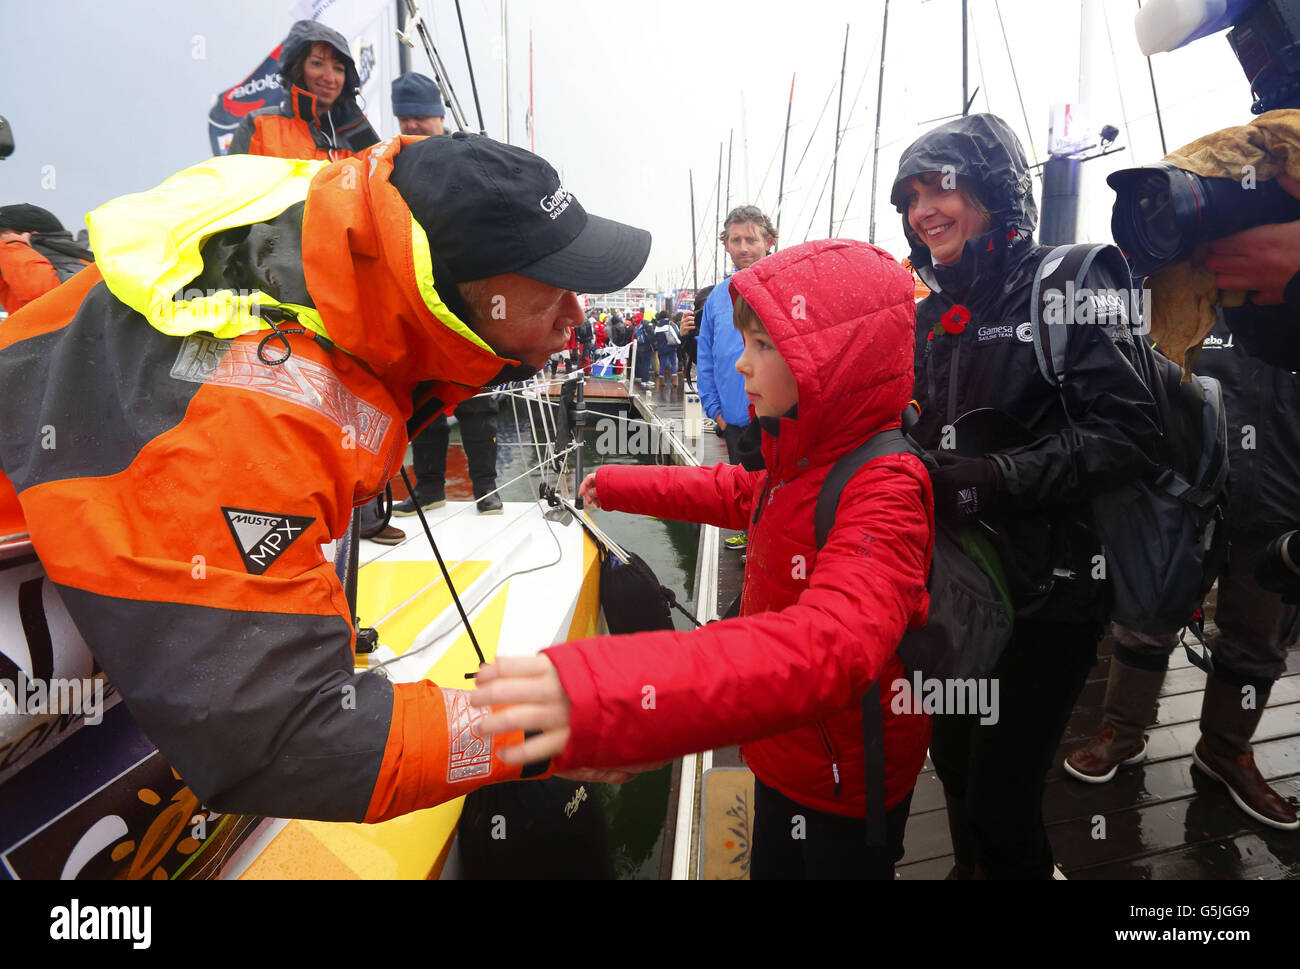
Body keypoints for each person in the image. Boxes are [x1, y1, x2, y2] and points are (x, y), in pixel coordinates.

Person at [0, 133, 651, 823]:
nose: (579, 314)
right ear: (457, 285)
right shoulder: (248, 414)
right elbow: (285, 737)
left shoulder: (337, 262)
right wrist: (537, 737)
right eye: (554, 283)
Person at [470, 239, 936, 879]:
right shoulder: (799, 464)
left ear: (831, 362)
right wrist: (618, 481)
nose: (740, 365)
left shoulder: (886, 486)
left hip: (846, 779)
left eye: (763, 347)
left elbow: (834, 643)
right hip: (783, 750)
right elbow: (740, 493)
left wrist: (617, 692)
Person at [890, 113, 1162, 879]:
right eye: (909, 197)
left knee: (1002, 800)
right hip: (954, 589)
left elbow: (1131, 436)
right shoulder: (926, 314)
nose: (923, 210)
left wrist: (996, 479)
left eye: (939, 186)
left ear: (993, 191)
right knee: (954, 765)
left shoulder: (1076, 279)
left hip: (1052, 597)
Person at [1065, 319, 1300, 829]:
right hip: (1181, 500)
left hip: (1281, 508)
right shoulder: (1187, 290)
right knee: (1146, 616)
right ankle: (1121, 734)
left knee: (1259, 640)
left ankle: (1225, 750)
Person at [228, 20, 379, 160]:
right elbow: (233, 186)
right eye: (317, 63)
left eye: (339, 68)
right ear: (297, 67)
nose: (330, 78)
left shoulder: (361, 137)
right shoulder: (260, 126)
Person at [0, 204, 68, 315]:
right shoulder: (14, 270)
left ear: (31, 238)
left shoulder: (78, 267)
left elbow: (48, 302)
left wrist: (14, 248)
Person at [392, 73, 446, 137]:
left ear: (441, 117)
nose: (411, 126)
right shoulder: (389, 146)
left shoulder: (458, 146)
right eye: (403, 119)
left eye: (420, 118)